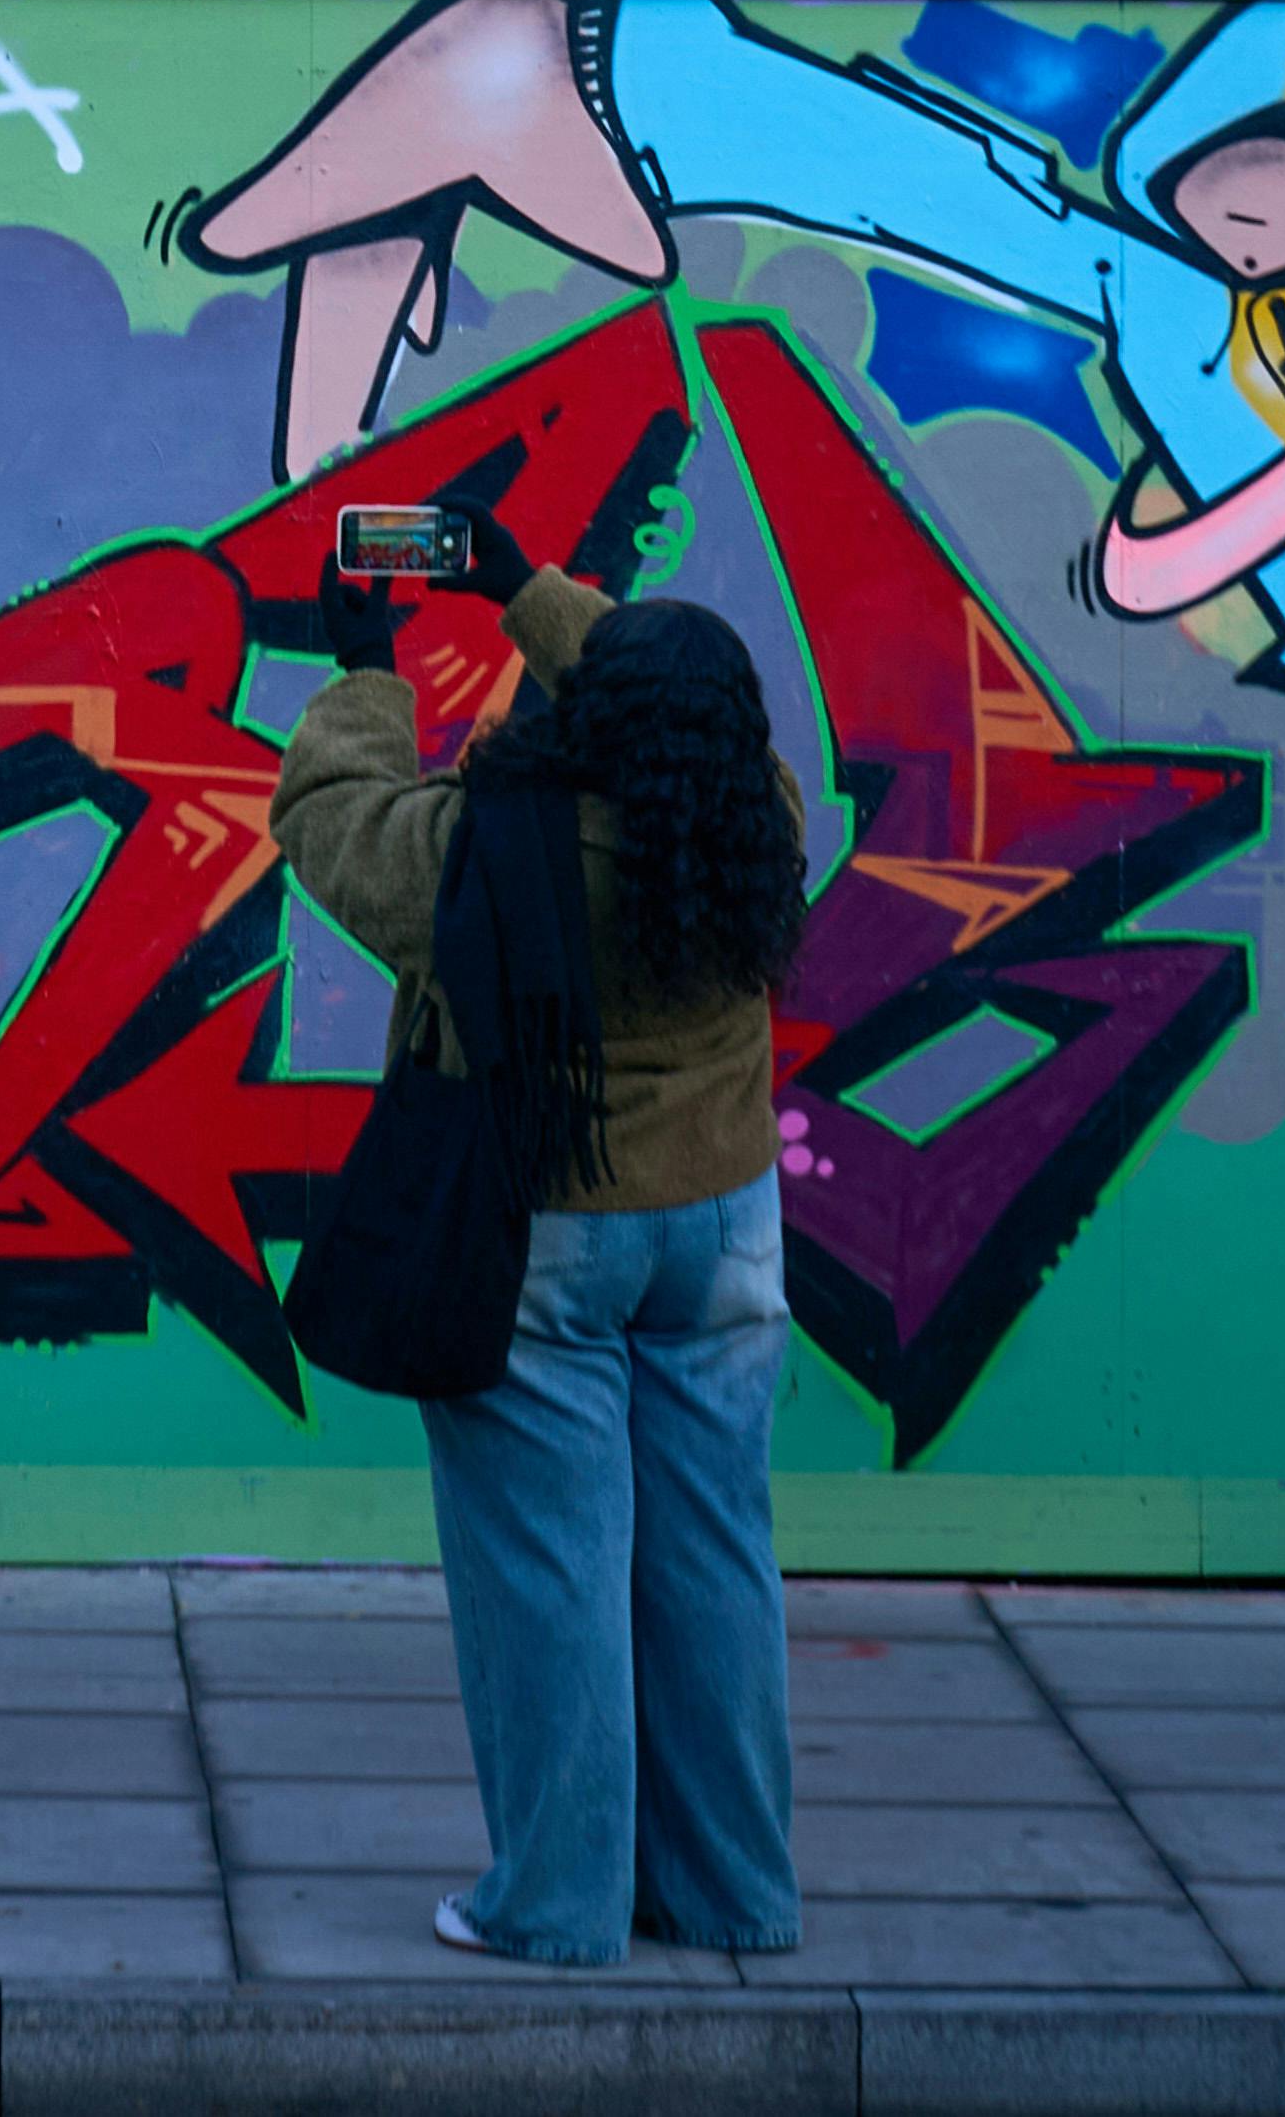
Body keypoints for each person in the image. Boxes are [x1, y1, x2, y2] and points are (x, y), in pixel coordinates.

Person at [269, 510, 811, 1966]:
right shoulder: (748, 816)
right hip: (725, 1237)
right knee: (714, 1557)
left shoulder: (491, 848)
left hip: (552, 1242)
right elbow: (673, 706)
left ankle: (558, 1906)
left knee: (550, 1569)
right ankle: (735, 1894)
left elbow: (332, 820)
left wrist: (366, 664)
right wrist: (530, 589)